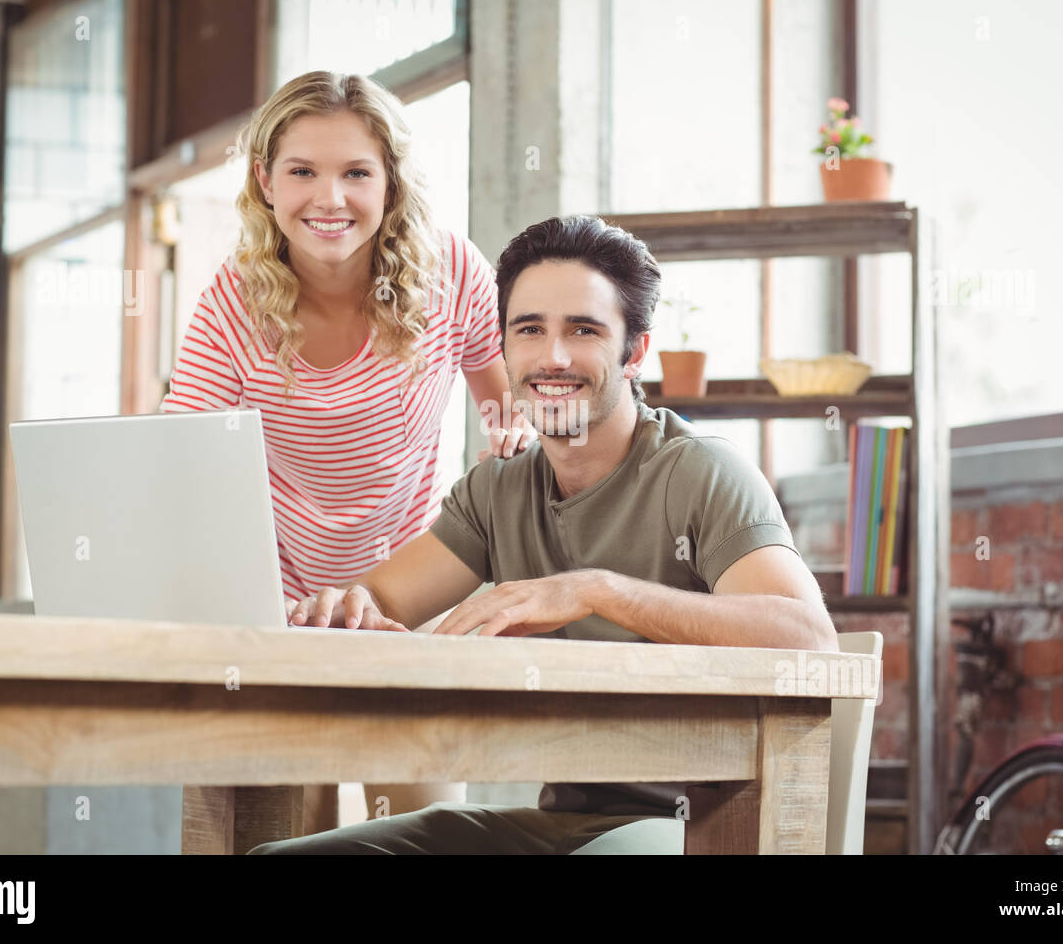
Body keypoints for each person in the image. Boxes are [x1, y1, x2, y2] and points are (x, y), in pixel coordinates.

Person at [252, 214, 838, 854]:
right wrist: (348, 608)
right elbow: (379, 604)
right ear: (503, 346)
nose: (552, 357)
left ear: (635, 350)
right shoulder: (497, 489)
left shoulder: (699, 470)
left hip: (696, 828)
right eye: (529, 330)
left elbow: (808, 638)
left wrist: (597, 591)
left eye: (583, 330)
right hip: (555, 829)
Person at [159, 71, 532, 817]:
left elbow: (507, 407)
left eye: (356, 173)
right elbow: (179, 457)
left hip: (409, 593)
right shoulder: (232, 302)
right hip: (275, 608)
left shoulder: (452, 270)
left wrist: (516, 431)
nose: (329, 199)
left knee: (426, 829)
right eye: (302, 171)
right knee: (283, 832)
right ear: (266, 180)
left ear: (390, 183)